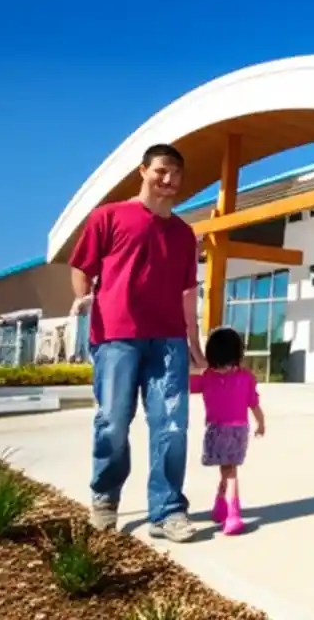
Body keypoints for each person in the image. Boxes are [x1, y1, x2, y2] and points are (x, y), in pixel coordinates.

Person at [68, 143, 205, 543]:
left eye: (176, 173)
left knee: (172, 424)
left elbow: (186, 294)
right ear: (142, 171)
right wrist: (85, 296)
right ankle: (105, 497)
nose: (169, 179)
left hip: (168, 341)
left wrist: (194, 343)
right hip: (115, 338)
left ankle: (167, 510)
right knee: (113, 421)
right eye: (161, 170)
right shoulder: (108, 217)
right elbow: (81, 267)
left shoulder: (183, 233)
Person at [190, 326, 266, 536]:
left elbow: (186, 384)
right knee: (229, 469)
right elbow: (254, 404)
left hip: (217, 430)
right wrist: (261, 423)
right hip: (239, 431)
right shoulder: (246, 377)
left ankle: (231, 512)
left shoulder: (207, 377)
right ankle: (223, 506)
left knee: (228, 470)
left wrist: (193, 362)